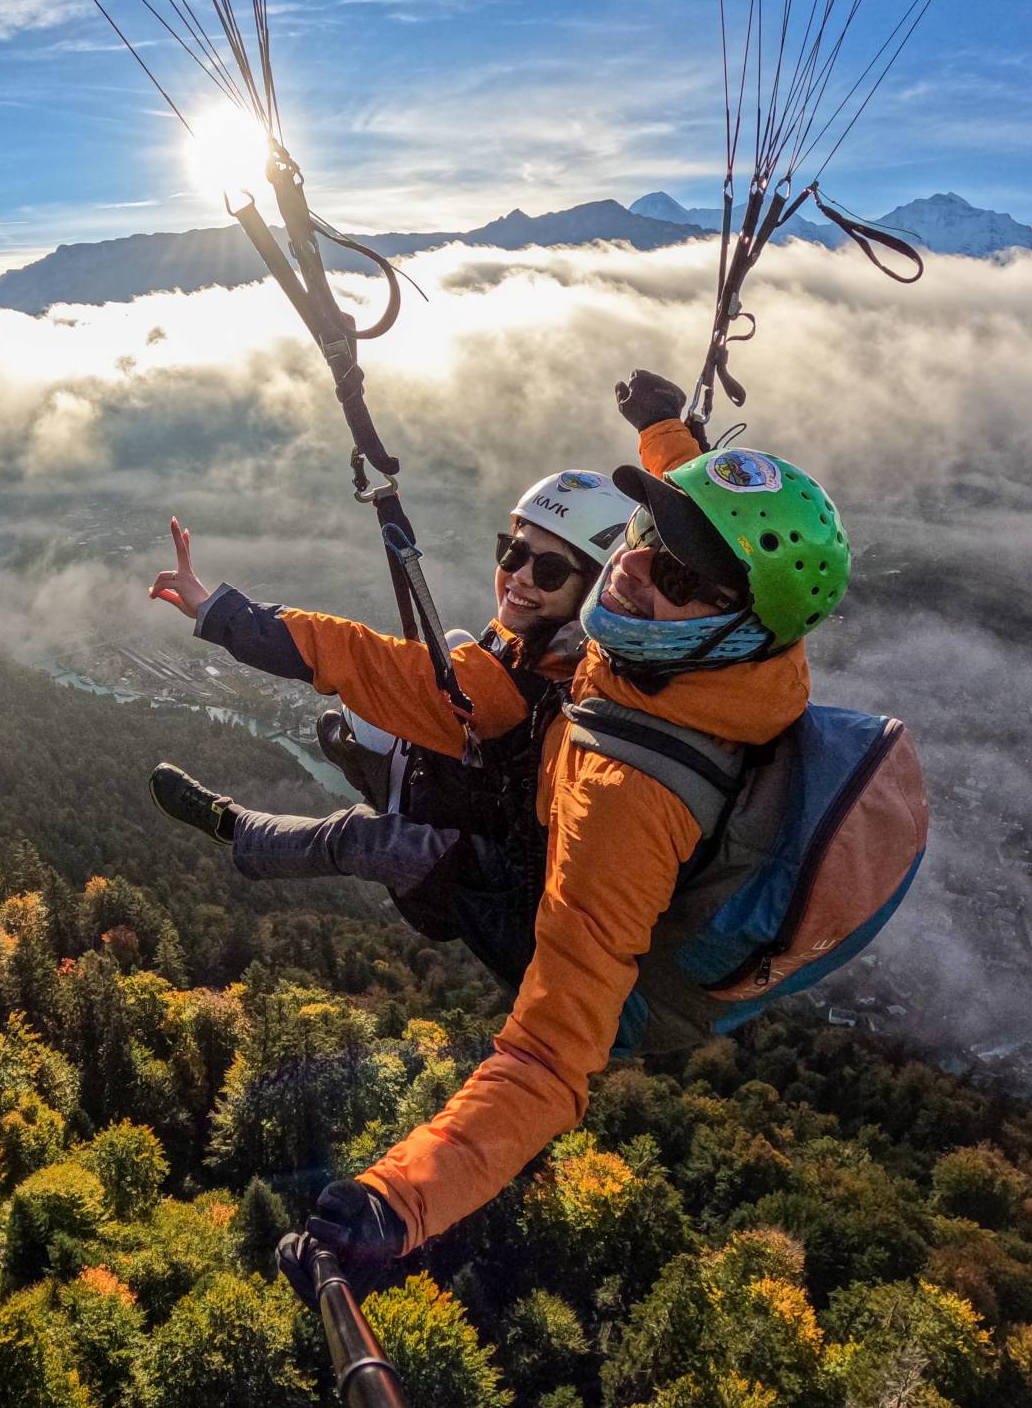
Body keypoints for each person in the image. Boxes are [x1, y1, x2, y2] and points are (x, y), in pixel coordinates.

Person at [268, 372, 852, 1306]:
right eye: (646, 534)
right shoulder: (749, 652)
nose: (634, 562)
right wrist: (666, 434)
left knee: (400, 817)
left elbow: (549, 1059)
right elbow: (715, 529)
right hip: (546, 814)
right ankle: (366, 770)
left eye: (672, 573)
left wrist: (401, 1200)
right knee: (440, 703)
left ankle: (359, 776)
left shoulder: (629, 797)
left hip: (533, 903)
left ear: (726, 623)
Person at [144, 467, 637, 980]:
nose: (520, 578)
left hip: (485, 893)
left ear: (593, 592)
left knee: (364, 836)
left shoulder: (507, 688)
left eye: (551, 571)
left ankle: (238, 826)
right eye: (512, 553)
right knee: (453, 646)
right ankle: (372, 763)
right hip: (494, 813)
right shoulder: (563, 657)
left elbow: (356, 657)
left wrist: (221, 614)